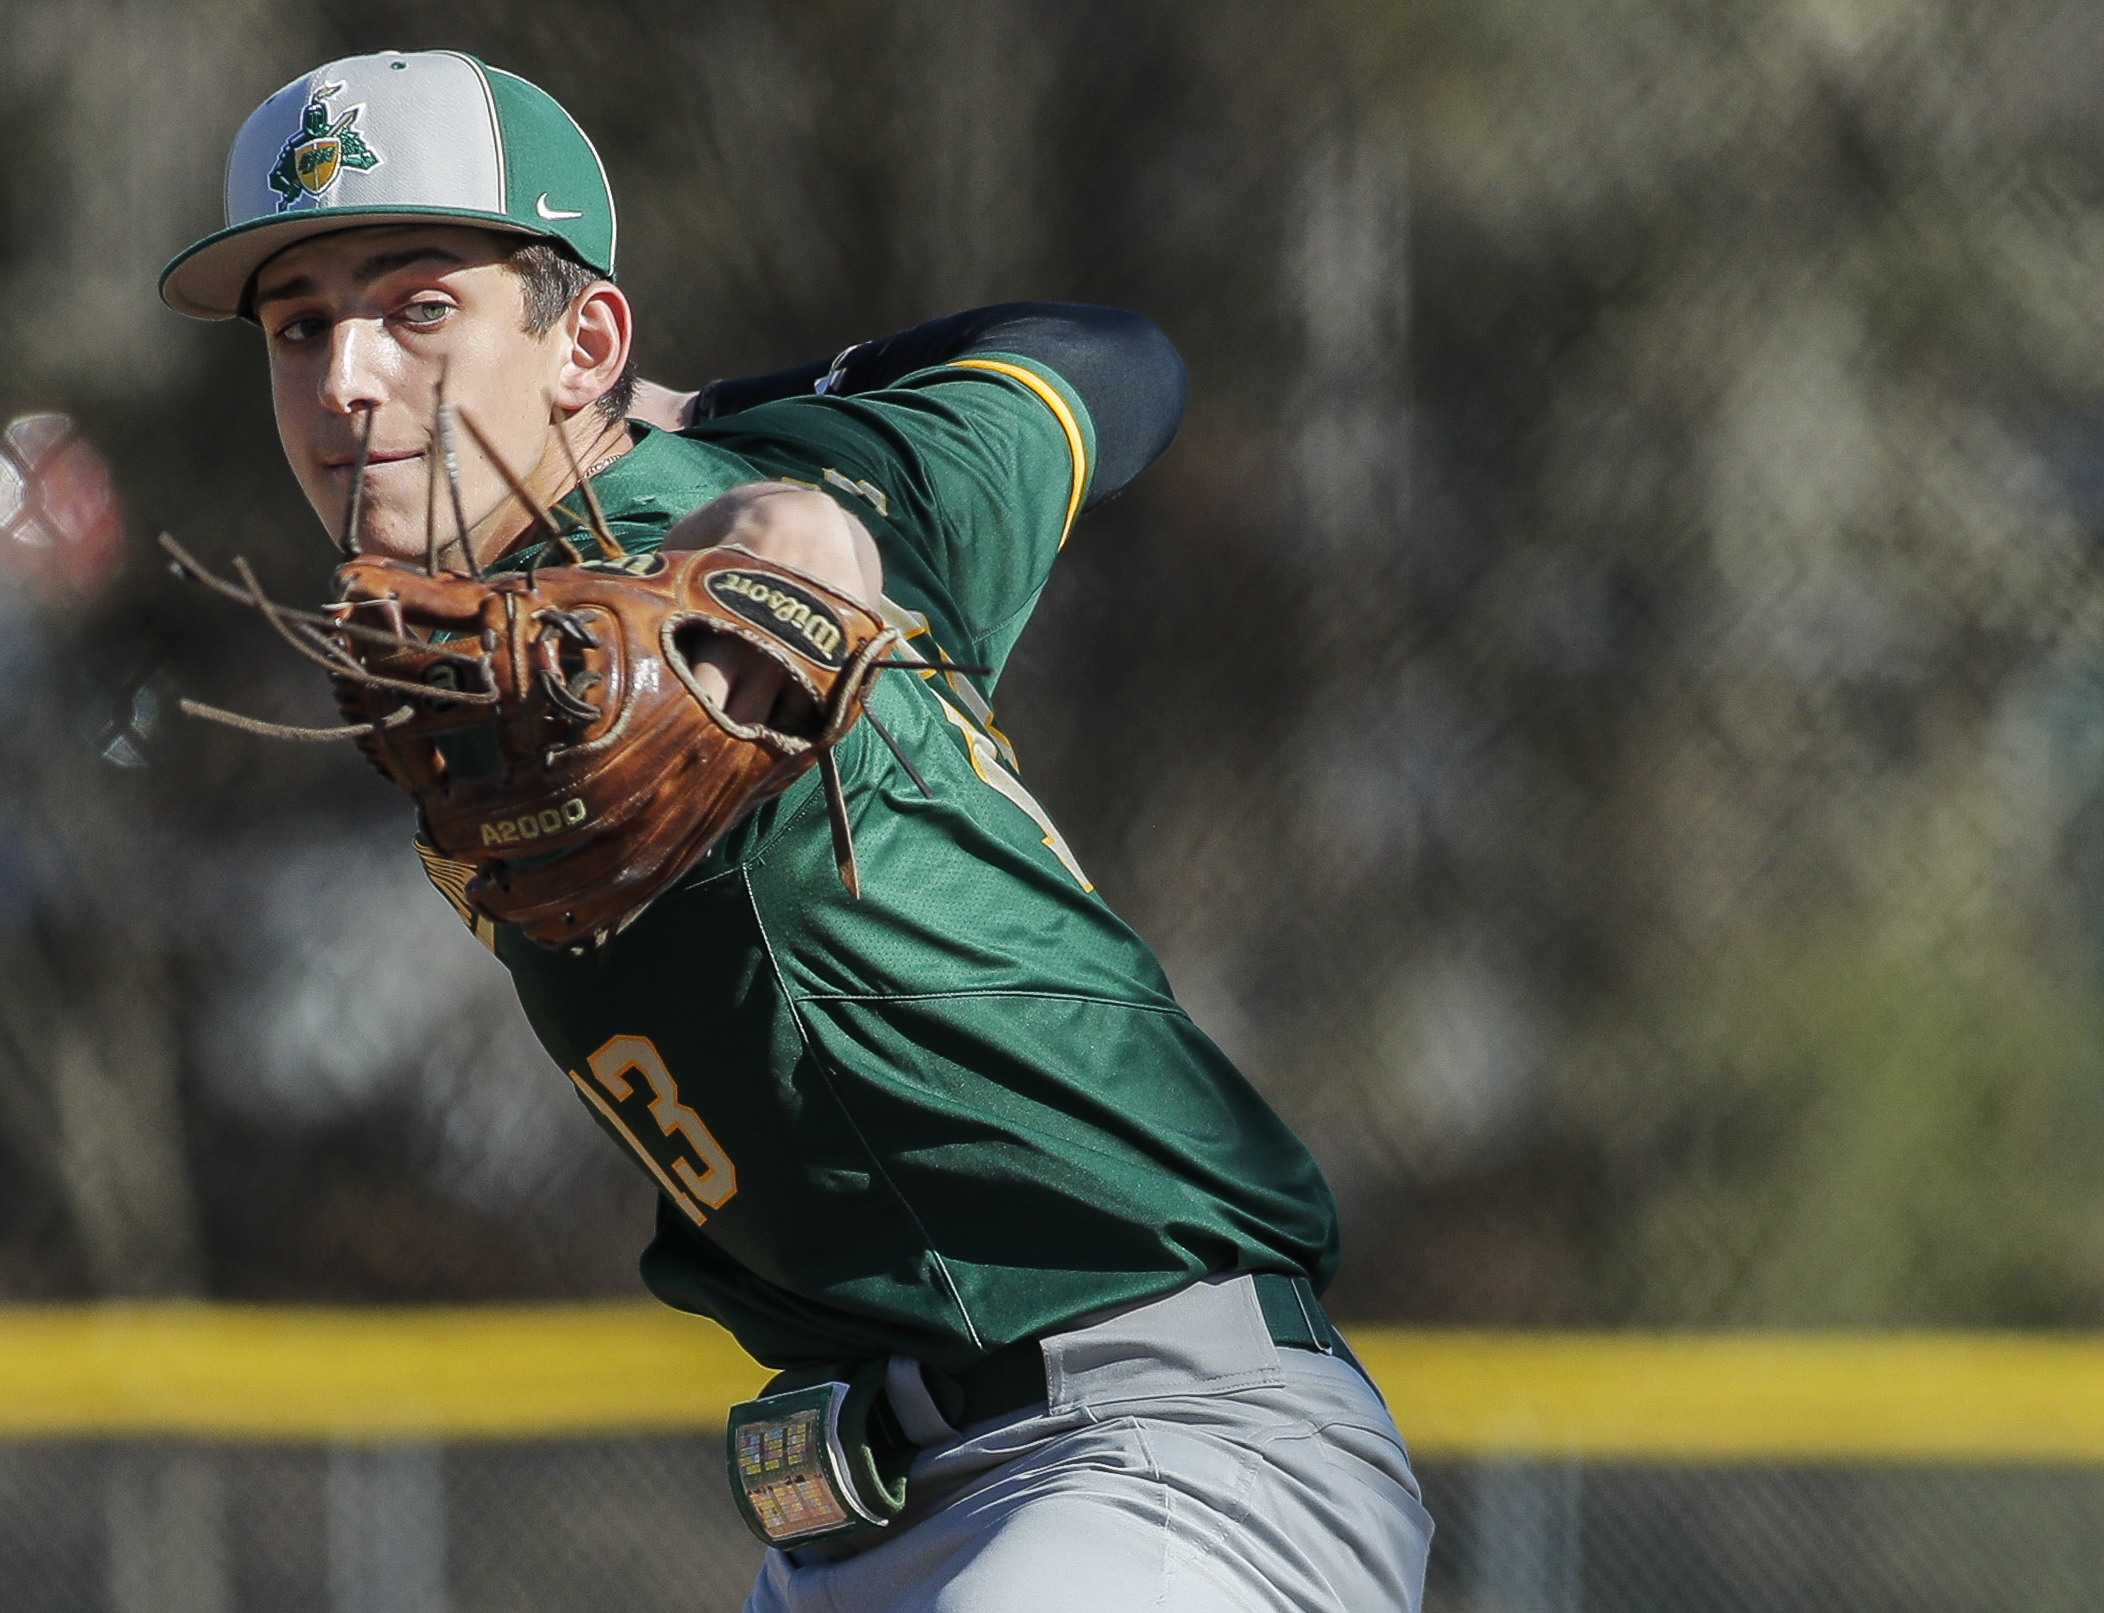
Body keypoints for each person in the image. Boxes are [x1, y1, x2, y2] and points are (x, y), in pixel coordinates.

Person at [161, 48, 1432, 1613]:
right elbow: (1106, 357)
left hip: (1160, 1451)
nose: (347, 378)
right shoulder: (822, 471)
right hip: (868, 1518)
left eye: (420, 307)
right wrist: (764, 421)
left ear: (583, 342)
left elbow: (778, 541)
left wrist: (796, 534)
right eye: (300, 328)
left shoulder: (734, 537)